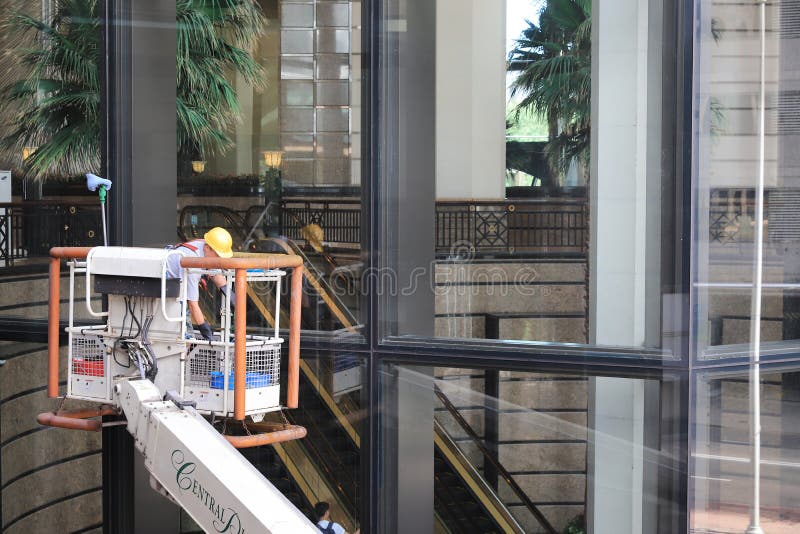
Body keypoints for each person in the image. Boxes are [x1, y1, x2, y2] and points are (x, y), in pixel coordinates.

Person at [165, 227, 233, 341]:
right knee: (186, 339)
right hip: (164, 291)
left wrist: (233, 299)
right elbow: (193, 305)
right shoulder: (192, 260)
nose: (220, 261)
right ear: (208, 248)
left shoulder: (206, 248)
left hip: (173, 288)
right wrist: (207, 333)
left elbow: (217, 275)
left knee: (185, 340)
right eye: (218, 256)